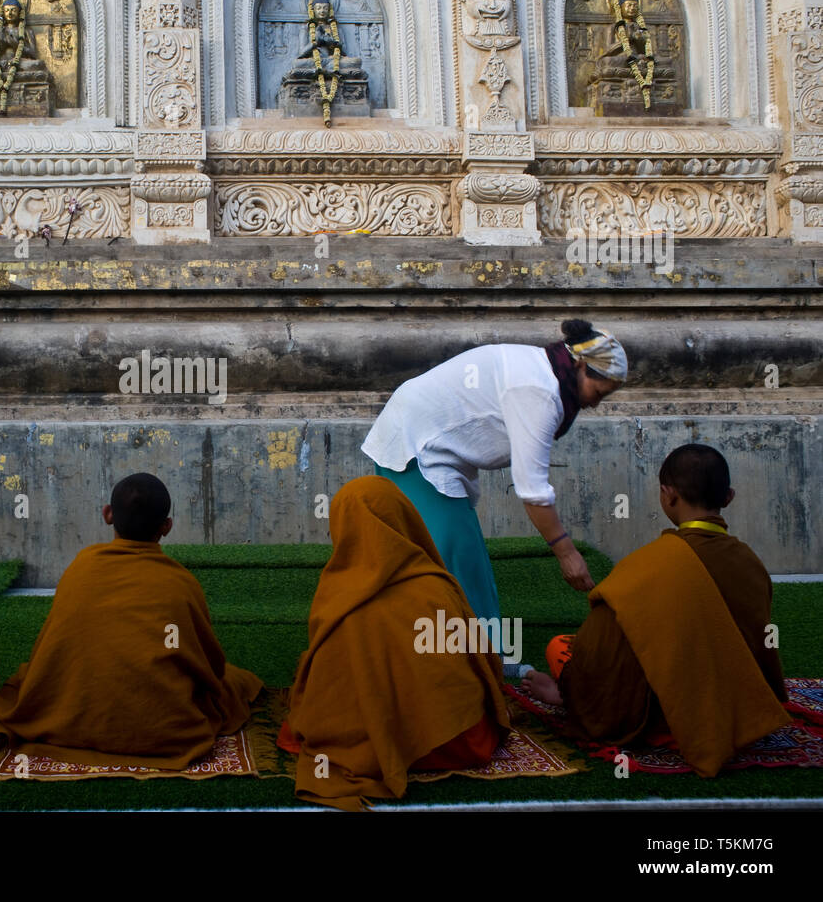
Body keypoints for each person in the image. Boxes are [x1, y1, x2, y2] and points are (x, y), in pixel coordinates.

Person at [361, 319, 627, 670]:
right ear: (580, 366)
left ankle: (477, 665)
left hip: (419, 443)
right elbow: (532, 488)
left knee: (454, 566)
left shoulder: (544, 372)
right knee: (459, 565)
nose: (596, 403)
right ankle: (486, 668)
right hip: (416, 449)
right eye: (599, 391)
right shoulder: (539, 391)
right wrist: (566, 553)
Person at [522, 444, 789, 776]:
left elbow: (599, 646)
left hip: (655, 712)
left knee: (561, 647)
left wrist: (569, 693)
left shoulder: (650, 563)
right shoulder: (751, 563)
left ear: (668, 495)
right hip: (733, 708)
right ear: (729, 496)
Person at [0, 473, 263, 769]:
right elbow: (210, 666)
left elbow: (54, 652)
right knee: (234, 682)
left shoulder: (81, 568)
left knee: (28, 677)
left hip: (70, 719)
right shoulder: (181, 583)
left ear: (108, 514)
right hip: (166, 731)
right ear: (166, 527)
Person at [281, 476, 510, 810]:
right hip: (460, 741)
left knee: (309, 720)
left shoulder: (338, 594)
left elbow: (328, 687)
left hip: (372, 748)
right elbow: (483, 664)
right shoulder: (439, 586)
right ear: (404, 518)